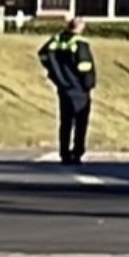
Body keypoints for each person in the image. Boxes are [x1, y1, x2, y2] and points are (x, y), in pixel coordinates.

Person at [37, 18, 96, 165]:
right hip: (78, 88)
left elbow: (43, 55)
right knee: (81, 121)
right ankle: (77, 152)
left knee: (65, 121)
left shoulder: (56, 40)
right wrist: (89, 84)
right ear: (80, 28)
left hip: (63, 88)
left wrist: (54, 73)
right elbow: (85, 67)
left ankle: (64, 152)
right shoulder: (79, 44)